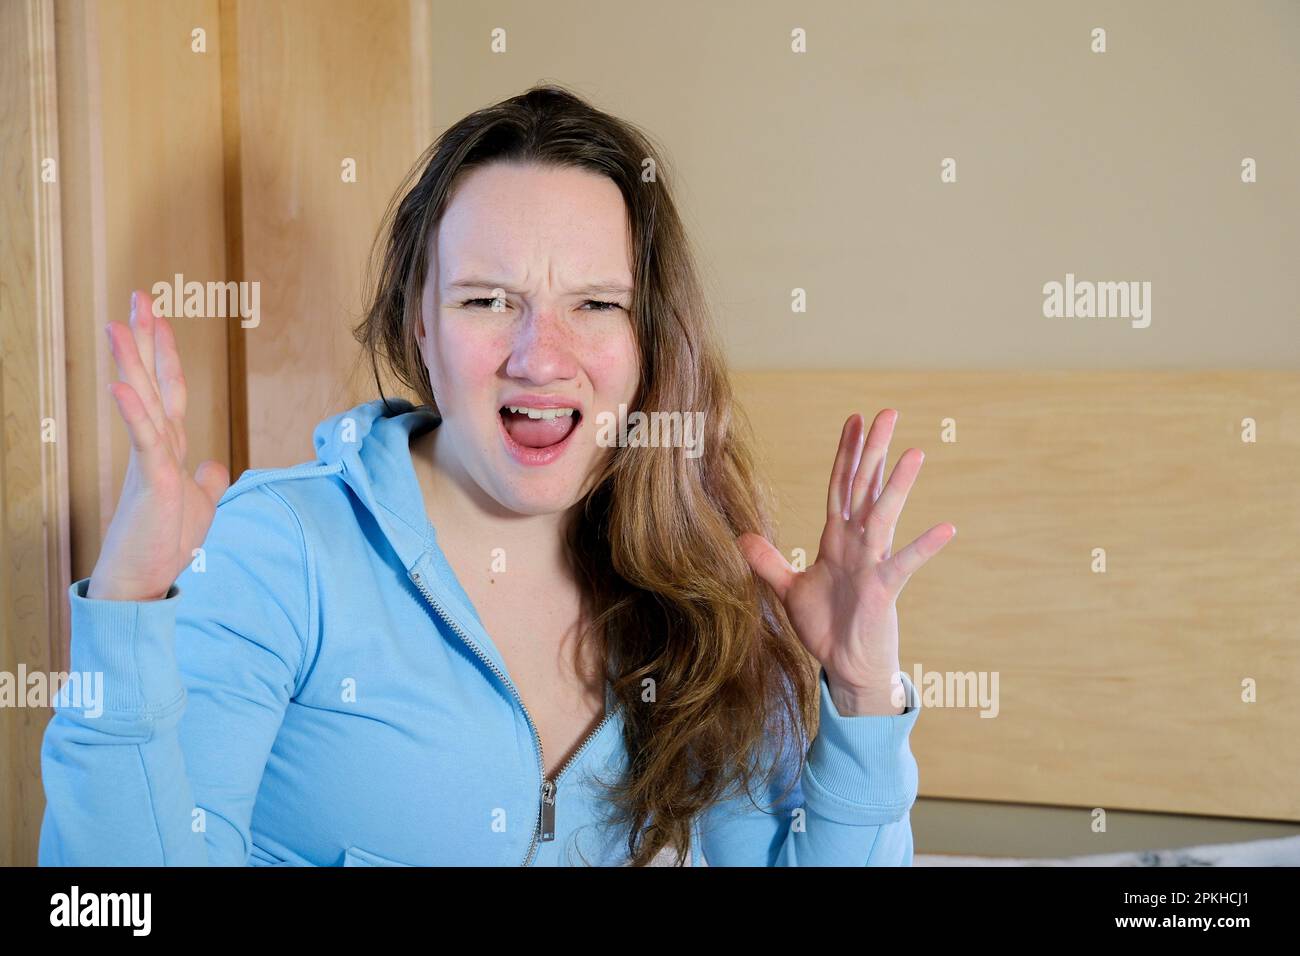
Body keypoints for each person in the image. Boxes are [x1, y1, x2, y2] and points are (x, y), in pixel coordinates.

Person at [39, 84, 954, 866]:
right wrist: (127, 606)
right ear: (421, 327)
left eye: (594, 304)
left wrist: (859, 697)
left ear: (647, 345)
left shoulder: (705, 588)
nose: (540, 357)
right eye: (487, 301)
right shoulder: (280, 550)